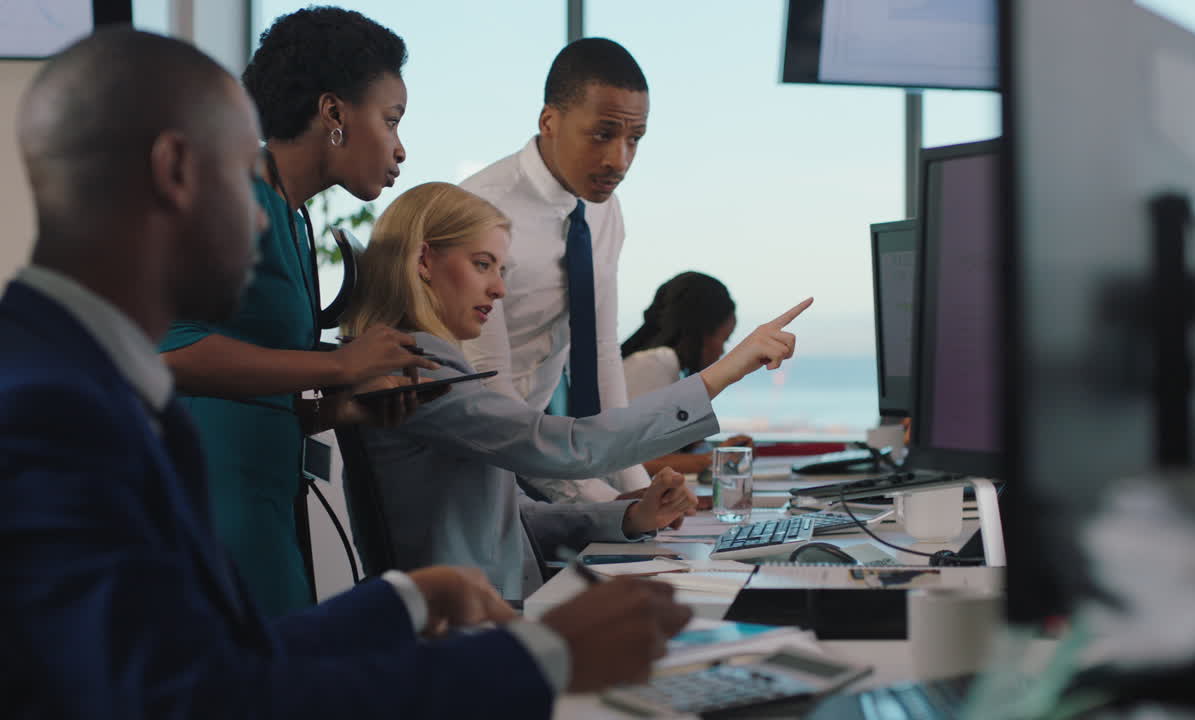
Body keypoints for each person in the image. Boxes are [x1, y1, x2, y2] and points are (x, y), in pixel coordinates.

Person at [1, 29, 693, 718]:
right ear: (176, 171)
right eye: (244, 172)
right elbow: (197, 701)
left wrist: (404, 601)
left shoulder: (82, 388)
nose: (263, 209)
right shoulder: (46, 419)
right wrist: (545, 658)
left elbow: (227, 655)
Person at [342, 182, 811, 600]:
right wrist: (722, 374)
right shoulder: (416, 368)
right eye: (483, 264)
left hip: (496, 606)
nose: (500, 289)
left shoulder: (435, 362)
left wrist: (630, 518)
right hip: (462, 624)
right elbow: (571, 447)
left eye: (501, 269)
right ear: (424, 261)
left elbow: (517, 520)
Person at [158, 7, 433, 617]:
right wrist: (338, 367)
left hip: (265, 496)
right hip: (214, 504)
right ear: (334, 113)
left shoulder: (293, 213)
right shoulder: (232, 194)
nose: (400, 148)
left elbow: (255, 391)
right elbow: (171, 351)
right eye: (391, 121)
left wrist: (342, 407)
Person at [460, 38, 653, 503]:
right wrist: (596, 498)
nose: (619, 161)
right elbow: (488, 384)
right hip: (466, 455)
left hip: (538, 448)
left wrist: (640, 490)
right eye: (603, 134)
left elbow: (602, 351)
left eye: (634, 139)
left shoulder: (605, 211)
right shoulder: (480, 209)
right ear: (550, 121)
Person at [622, 271, 754, 476]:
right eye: (724, 339)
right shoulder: (653, 364)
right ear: (703, 331)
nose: (722, 351)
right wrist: (718, 459)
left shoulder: (665, 366)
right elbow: (633, 463)